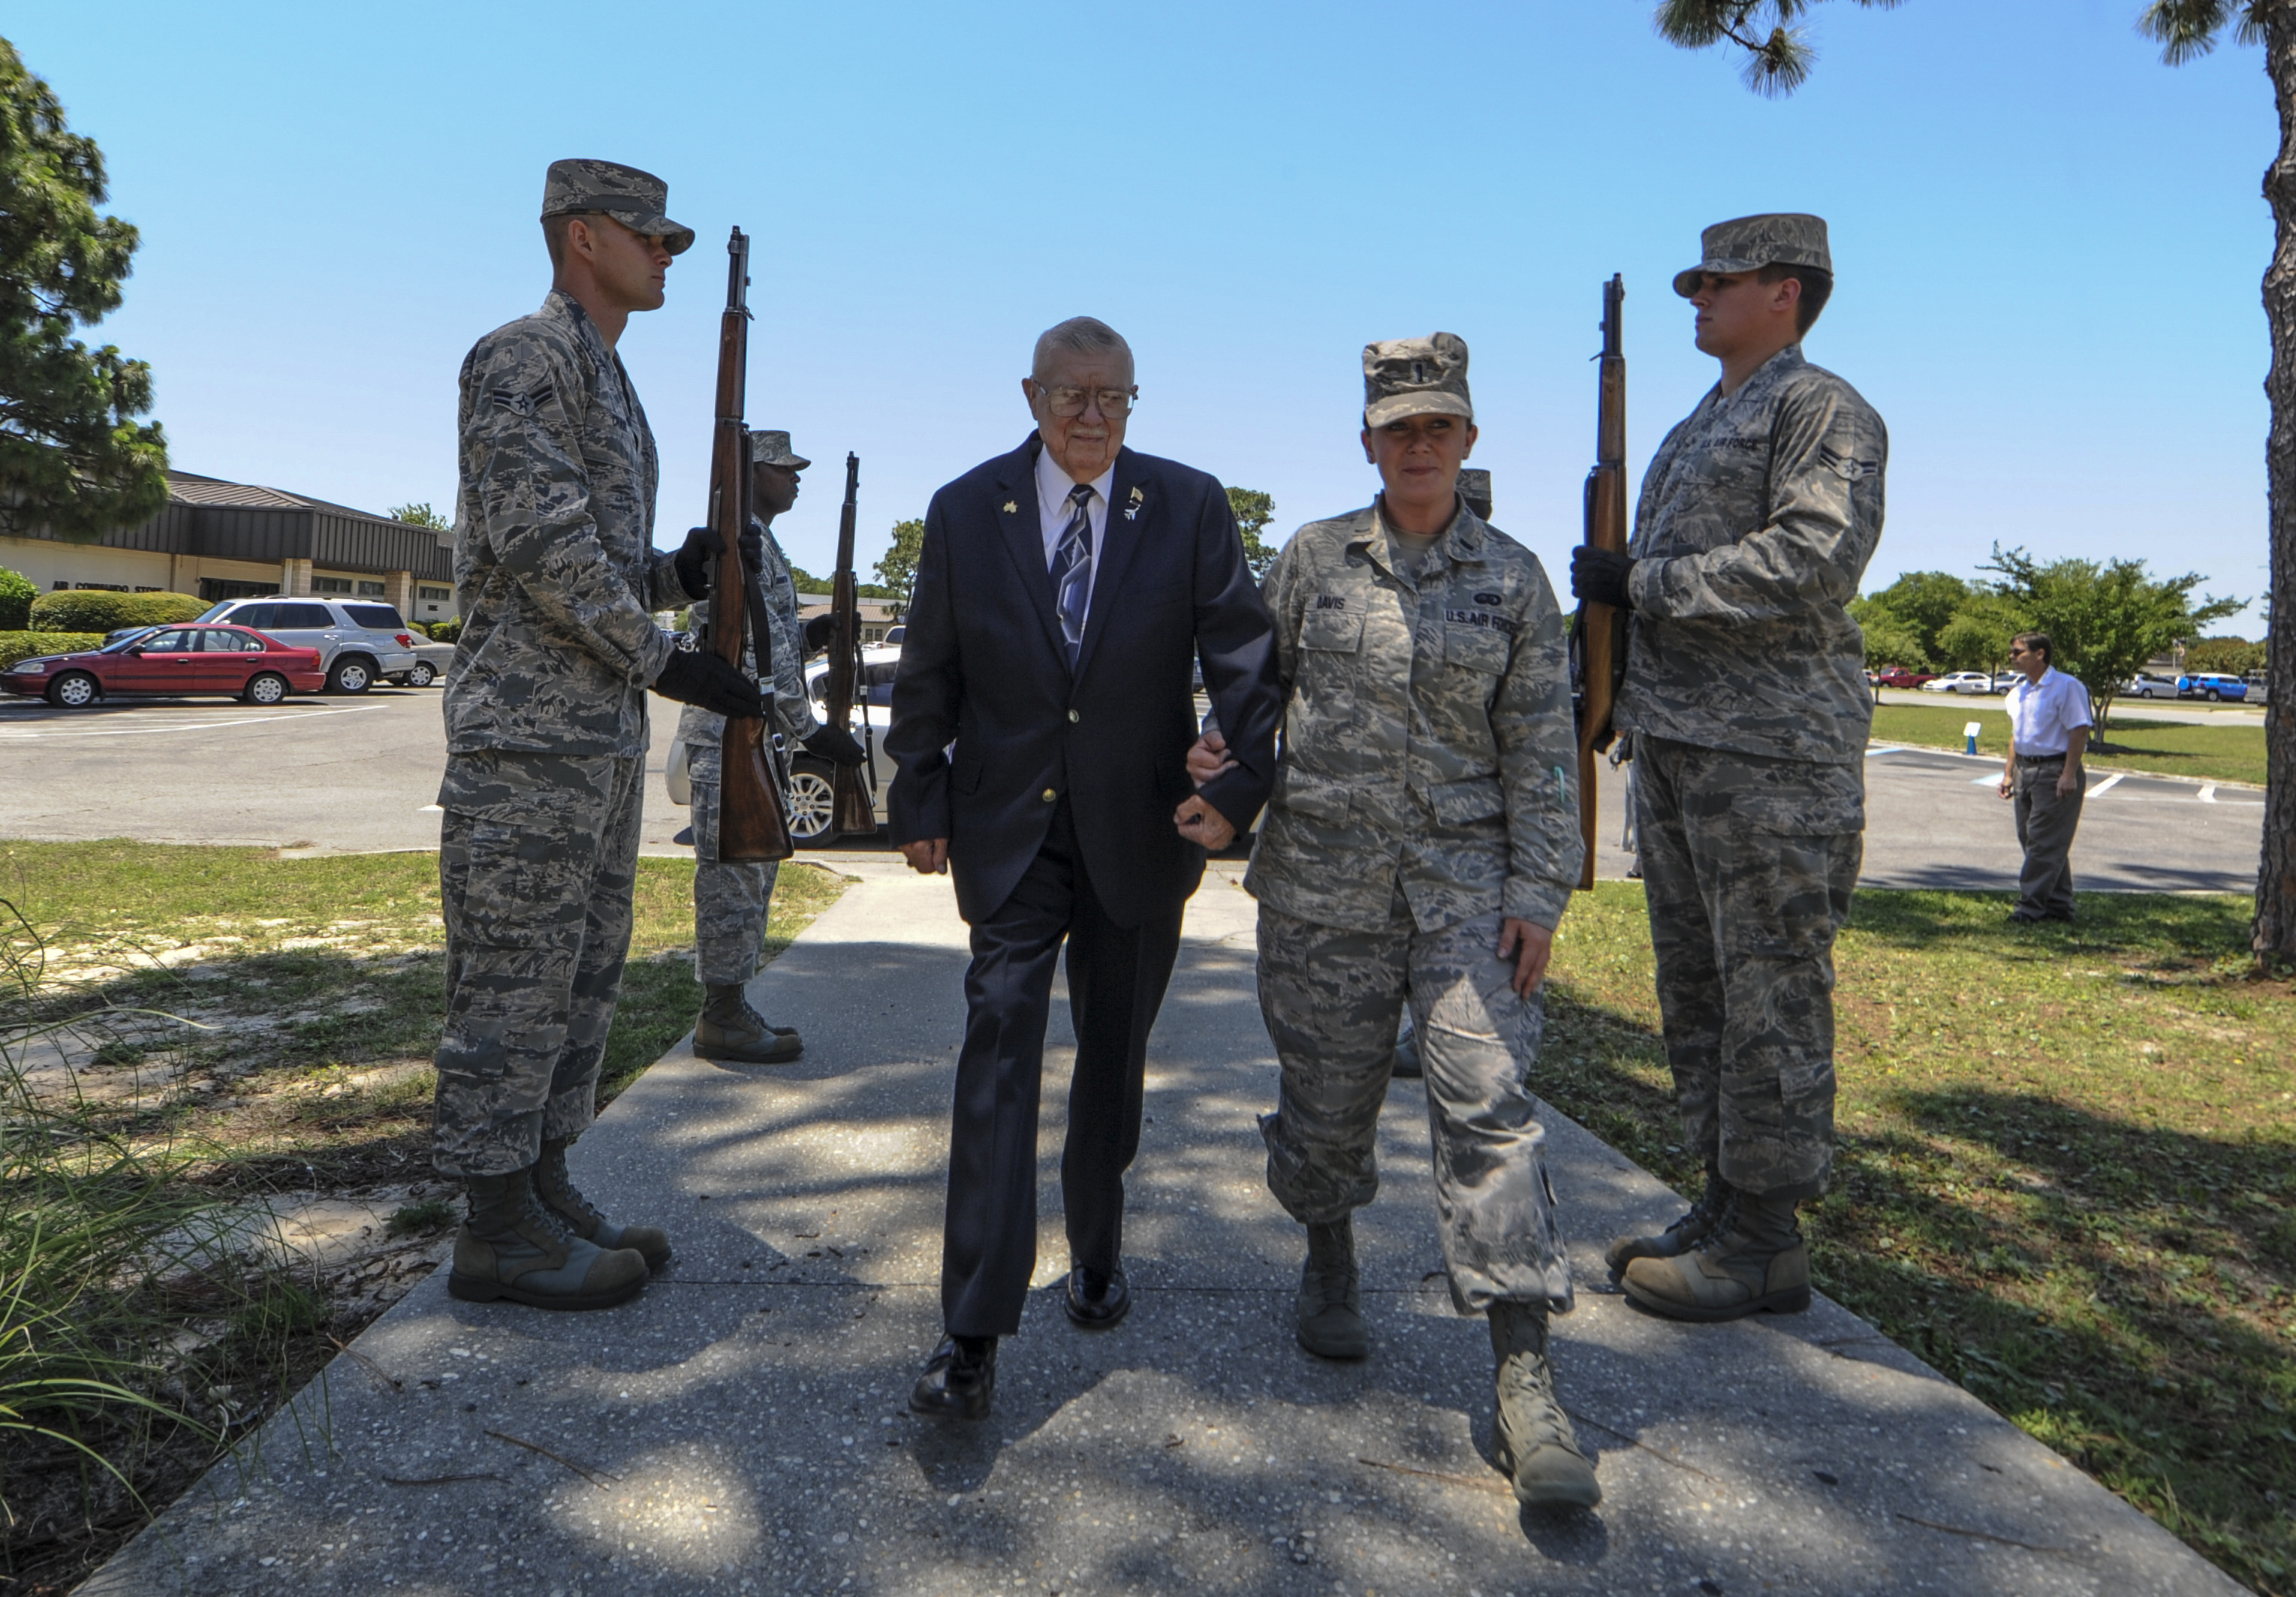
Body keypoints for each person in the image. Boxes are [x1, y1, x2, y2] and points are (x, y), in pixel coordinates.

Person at [1203, 334, 1597, 1508]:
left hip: (1465, 889)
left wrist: (1539, 893)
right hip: (1322, 884)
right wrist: (1219, 765)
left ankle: (1522, 1369)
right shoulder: (1314, 558)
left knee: (1488, 1108)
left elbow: (1542, 745)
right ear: (1366, 441)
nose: (1418, 444)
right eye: (1397, 427)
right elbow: (1250, 692)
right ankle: (1328, 1252)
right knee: (1325, 1110)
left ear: (1468, 439)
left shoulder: (1514, 576)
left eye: (1439, 426)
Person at [887, 317, 1281, 1420]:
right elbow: (930, 665)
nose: (1093, 414)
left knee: (1112, 1060)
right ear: (1031, 396)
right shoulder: (966, 510)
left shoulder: (1190, 504)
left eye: (1114, 395)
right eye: (1072, 393)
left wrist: (1241, 783)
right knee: (997, 1050)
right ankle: (969, 1329)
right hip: (1009, 832)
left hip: (1140, 831)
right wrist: (917, 790)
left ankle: (1097, 1247)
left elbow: (1242, 653)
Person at [435, 159, 766, 1312]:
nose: (665, 255)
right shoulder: (523, 357)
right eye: (651, 238)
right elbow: (539, 547)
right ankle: (495, 1227)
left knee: (581, 977)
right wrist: (671, 658)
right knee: (512, 981)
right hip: (527, 743)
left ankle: (541, 1181)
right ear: (585, 237)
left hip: (595, 738)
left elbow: (602, 562)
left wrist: (673, 575)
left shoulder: (606, 376)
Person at [1571, 214, 1886, 1324]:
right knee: (1696, 991)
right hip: (1678, 743)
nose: (1696, 297)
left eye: (1720, 281)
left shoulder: (1819, 409)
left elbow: (1811, 558)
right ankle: (1720, 1201)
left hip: (1772, 753)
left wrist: (1638, 584)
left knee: (1769, 991)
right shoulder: (1698, 422)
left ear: (1785, 293)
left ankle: (1765, 1235)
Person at [680, 431, 867, 1062]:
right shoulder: (730, 546)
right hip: (729, 738)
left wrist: (811, 632)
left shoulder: (765, 547)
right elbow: (733, 642)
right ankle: (721, 1013)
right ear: (751, 472)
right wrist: (812, 730)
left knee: (752, 875)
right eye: (783, 469)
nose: (795, 479)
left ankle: (732, 1005)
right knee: (732, 878)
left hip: (759, 740)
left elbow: (771, 642)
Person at [1996, 631, 2090, 923]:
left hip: (2054, 770)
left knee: (2043, 842)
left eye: (2018, 652)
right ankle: (2059, 906)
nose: (2012, 657)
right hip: (2025, 769)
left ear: (2040, 654)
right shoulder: (2019, 691)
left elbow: (2080, 730)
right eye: (2012, 652)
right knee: (2034, 840)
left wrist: (2069, 773)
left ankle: (2029, 909)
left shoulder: (2066, 686)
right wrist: (2008, 773)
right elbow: (2017, 735)